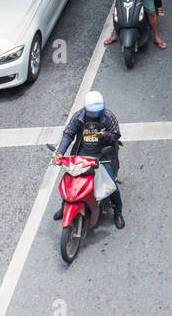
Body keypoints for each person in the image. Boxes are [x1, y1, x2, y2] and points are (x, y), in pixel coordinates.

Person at [52, 91, 125, 229]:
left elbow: (116, 135)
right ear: (86, 109)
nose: (96, 115)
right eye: (93, 112)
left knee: (112, 185)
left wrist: (105, 136)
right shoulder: (78, 117)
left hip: (103, 157)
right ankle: (65, 207)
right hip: (81, 156)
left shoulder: (108, 117)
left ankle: (118, 213)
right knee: (70, 183)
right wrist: (60, 153)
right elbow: (68, 134)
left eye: (98, 111)